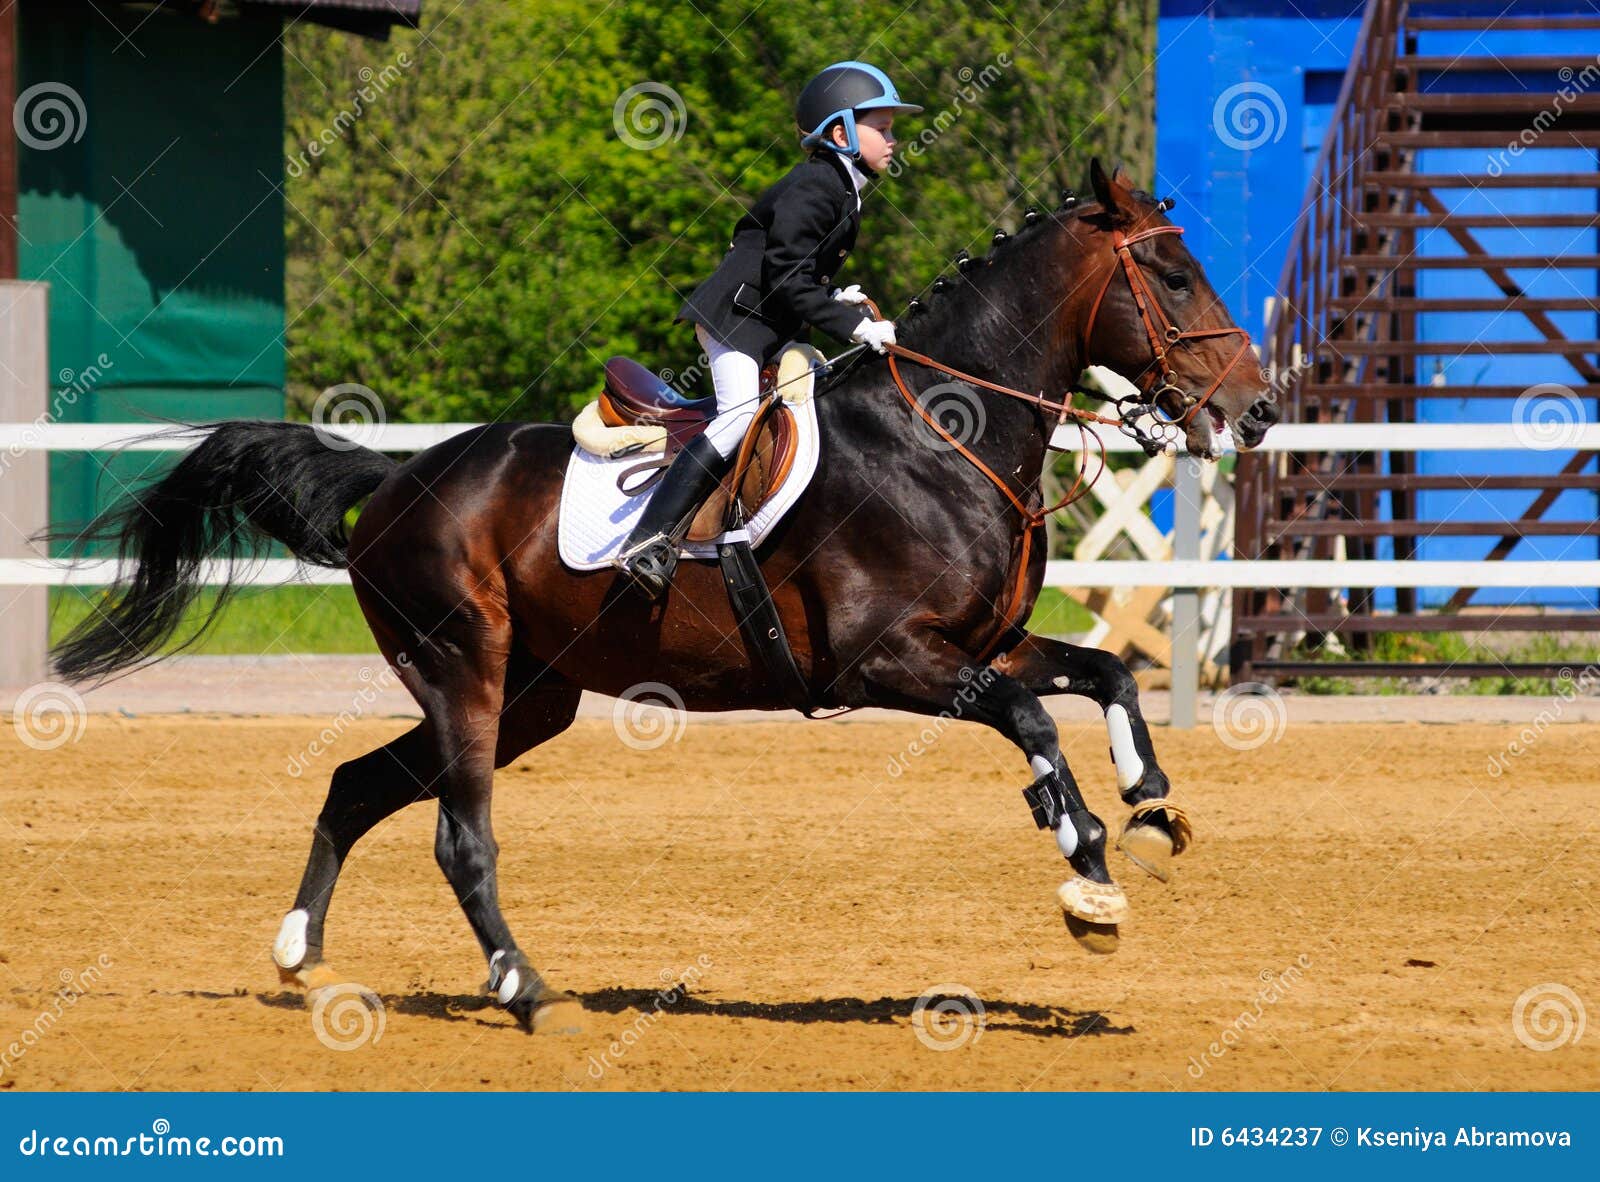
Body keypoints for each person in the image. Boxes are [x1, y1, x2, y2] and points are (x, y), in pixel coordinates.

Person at [613, 60, 921, 600]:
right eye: (883, 128)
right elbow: (783, 278)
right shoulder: (818, 185)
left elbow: (796, 271)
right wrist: (853, 326)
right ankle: (648, 540)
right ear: (842, 134)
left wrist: (832, 296)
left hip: (765, 322)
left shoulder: (840, 187)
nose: (894, 140)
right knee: (737, 416)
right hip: (735, 319)